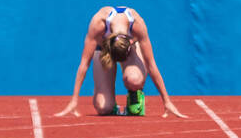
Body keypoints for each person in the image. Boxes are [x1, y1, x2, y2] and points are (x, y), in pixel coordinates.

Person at [55, 6, 184, 118]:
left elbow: (151, 65)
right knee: (103, 107)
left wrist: (167, 101)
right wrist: (74, 100)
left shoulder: (137, 24)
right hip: (104, 50)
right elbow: (84, 64)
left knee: (134, 79)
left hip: (131, 49)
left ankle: (135, 94)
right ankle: (110, 101)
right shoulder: (98, 24)